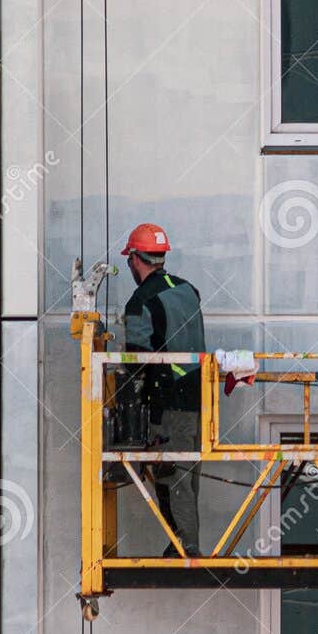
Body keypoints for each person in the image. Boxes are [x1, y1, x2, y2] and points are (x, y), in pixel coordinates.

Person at [120, 224, 206, 556]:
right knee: (189, 469)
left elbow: (136, 363)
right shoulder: (189, 290)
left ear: (134, 259)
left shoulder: (140, 301)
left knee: (172, 475)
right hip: (198, 398)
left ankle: (186, 547)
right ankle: (185, 543)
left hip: (167, 402)